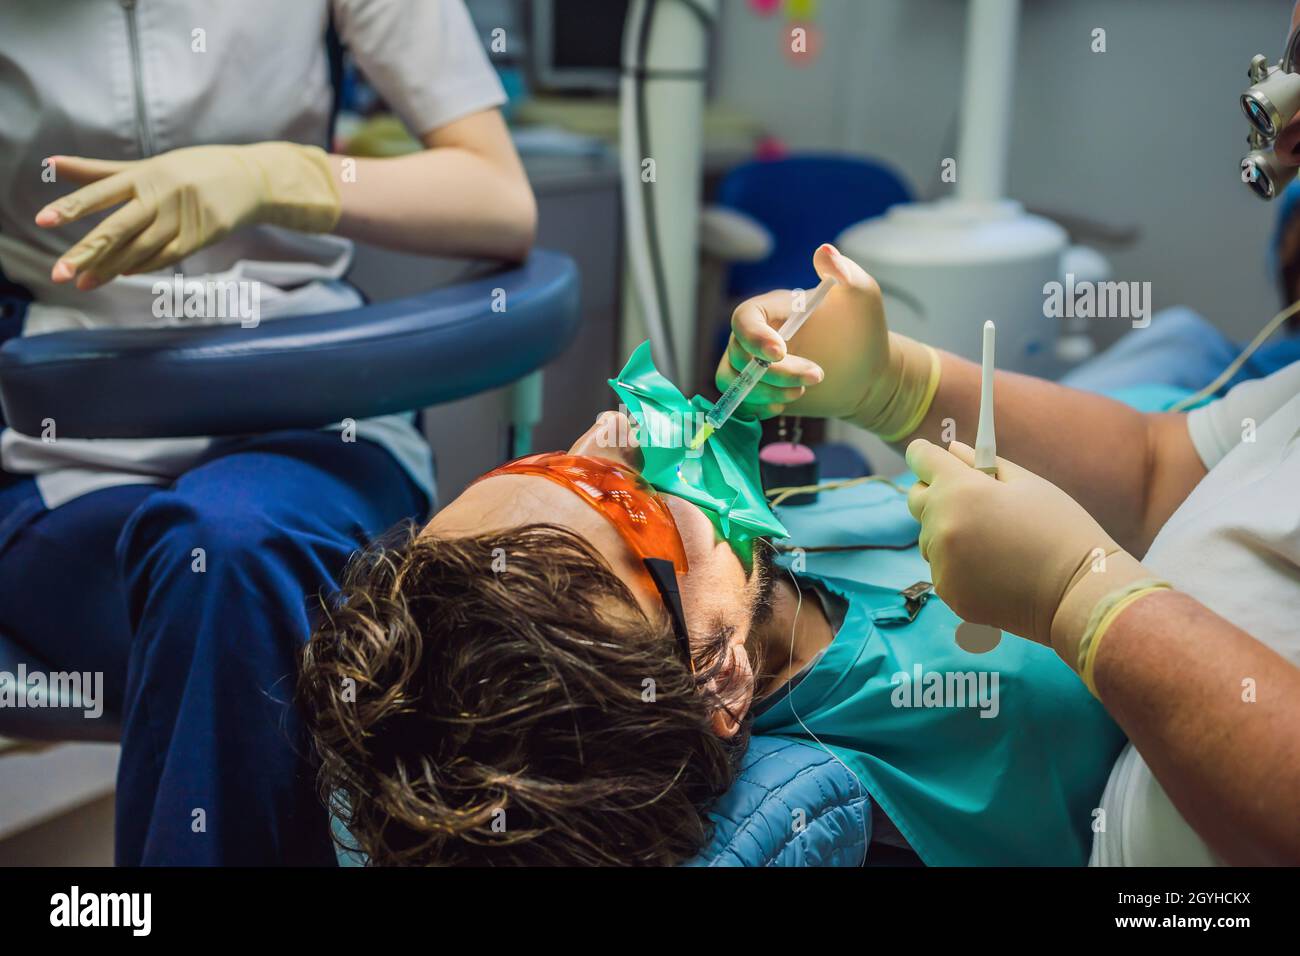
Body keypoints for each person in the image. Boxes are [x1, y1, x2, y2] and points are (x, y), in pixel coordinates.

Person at [300, 247, 1129, 867]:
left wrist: (876, 386)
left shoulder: (729, 593)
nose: (613, 430)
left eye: (549, 464)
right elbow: (1158, 496)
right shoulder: (991, 716)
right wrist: (907, 393)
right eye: (627, 503)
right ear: (721, 677)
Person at [0, 0, 534, 865]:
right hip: (64, 457)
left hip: (314, 422)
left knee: (237, 549)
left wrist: (279, 175)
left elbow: (499, 197)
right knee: (226, 589)